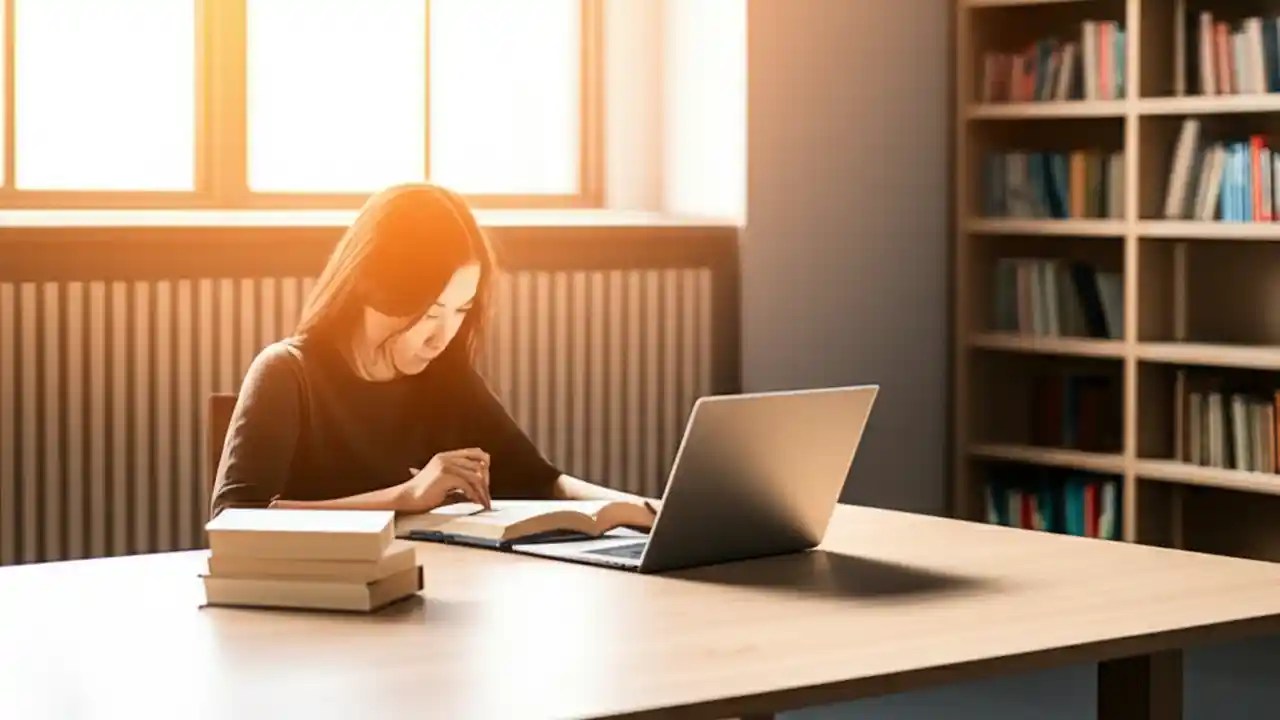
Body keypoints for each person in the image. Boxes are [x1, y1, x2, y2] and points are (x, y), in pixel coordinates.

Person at [210, 183, 656, 519]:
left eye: (461, 310)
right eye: (428, 311)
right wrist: (405, 498)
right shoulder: (287, 374)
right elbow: (235, 517)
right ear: (374, 288)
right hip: (304, 619)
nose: (440, 337)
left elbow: (541, 482)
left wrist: (644, 511)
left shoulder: (446, 379)